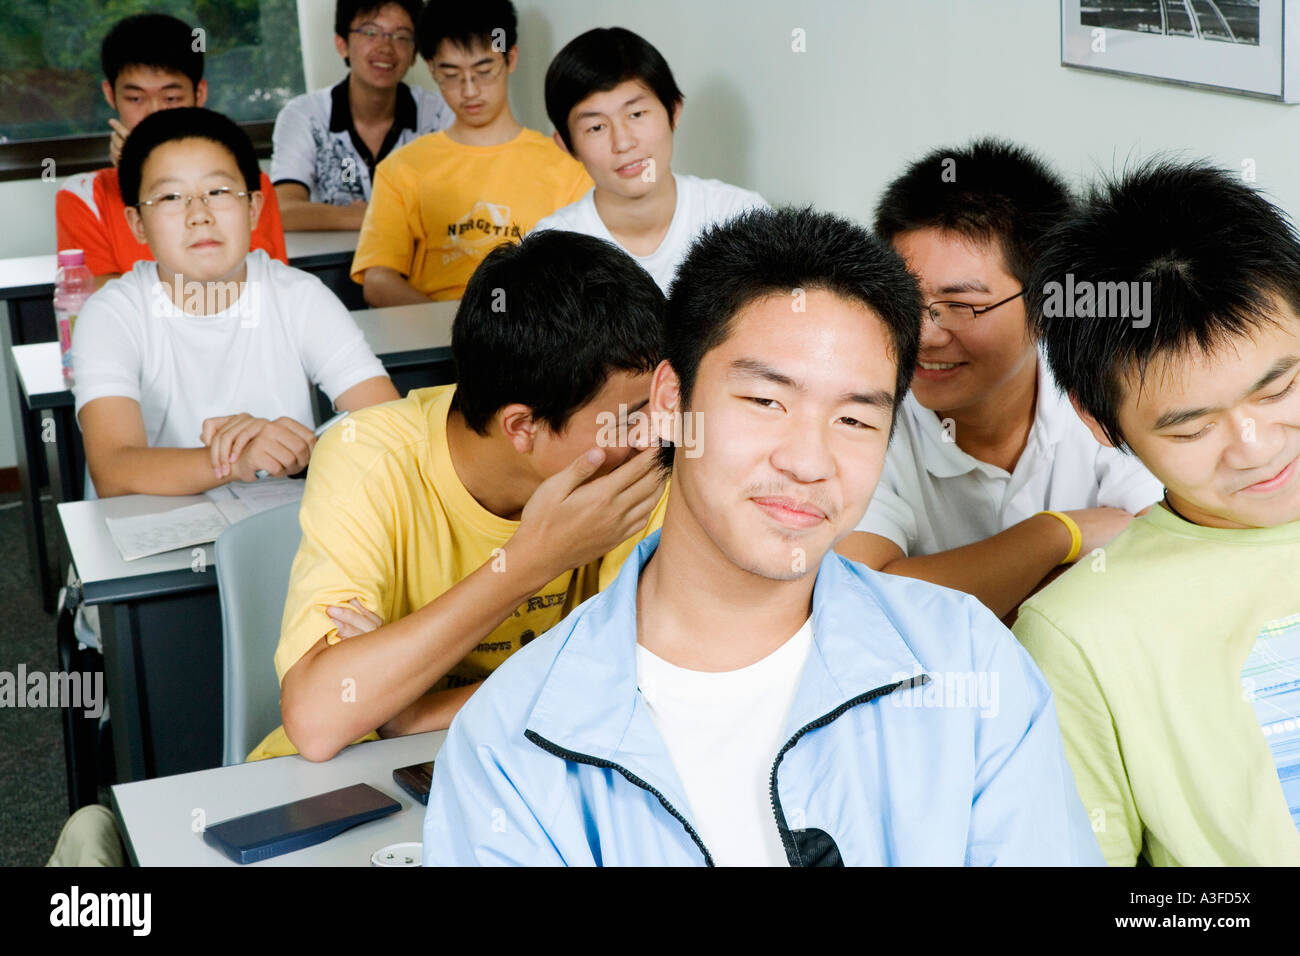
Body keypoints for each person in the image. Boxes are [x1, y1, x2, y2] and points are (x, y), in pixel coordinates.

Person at [422, 206, 1103, 866]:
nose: (809, 461)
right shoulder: (511, 743)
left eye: (856, 421)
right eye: (766, 401)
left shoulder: (970, 665)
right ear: (669, 401)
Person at [250, 228, 668, 761]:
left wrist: (413, 712)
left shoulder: (639, 466)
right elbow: (319, 719)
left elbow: (640, 681)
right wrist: (532, 560)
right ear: (523, 426)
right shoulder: (368, 456)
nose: (659, 431)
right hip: (348, 781)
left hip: (517, 769)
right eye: (633, 416)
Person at [1014, 160, 1300, 866]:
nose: (1255, 448)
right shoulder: (1077, 634)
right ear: (1101, 423)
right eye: (1192, 429)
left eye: (1281, 388)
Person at [835, 140, 1161, 622]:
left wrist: (946, 584)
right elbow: (862, 603)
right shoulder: (860, 409)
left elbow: (1172, 555)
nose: (924, 334)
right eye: (904, 297)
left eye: (962, 305)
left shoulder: (1106, 384)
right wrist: (1056, 536)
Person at [70, 107, 398, 498]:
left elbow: (388, 426)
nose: (199, 215)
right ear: (137, 223)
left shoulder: (300, 296)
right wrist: (234, 461)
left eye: (219, 192)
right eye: (171, 197)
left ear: (254, 208)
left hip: (281, 529)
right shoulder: (111, 314)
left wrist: (308, 452)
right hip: (151, 536)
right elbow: (114, 470)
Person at [350, 0, 592, 305]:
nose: (469, 90)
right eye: (451, 75)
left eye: (484, 70)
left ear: (510, 58)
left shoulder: (566, 164)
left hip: (536, 338)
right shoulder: (402, 169)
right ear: (431, 69)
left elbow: (585, 276)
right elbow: (378, 280)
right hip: (435, 336)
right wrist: (458, 330)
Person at [56, 12, 287, 288]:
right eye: (135, 98)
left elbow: (264, 285)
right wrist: (138, 180)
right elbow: (98, 301)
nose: (154, 112)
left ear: (199, 94)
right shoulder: (83, 197)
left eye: (171, 98)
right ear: (110, 95)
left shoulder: (248, 185)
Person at [531, 27, 767, 292]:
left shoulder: (740, 218)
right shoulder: (549, 254)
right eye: (596, 127)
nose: (622, 143)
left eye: (637, 114)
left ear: (673, 111)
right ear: (566, 145)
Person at [270, 1, 454, 231]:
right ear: (342, 44)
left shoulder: (441, 114)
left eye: (401, 36)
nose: (385, 47)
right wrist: (370, 217)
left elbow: (463, 204)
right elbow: (281, 210)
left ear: (415, 52)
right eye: (370, 32)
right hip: (330, 264)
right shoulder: (304, 116)